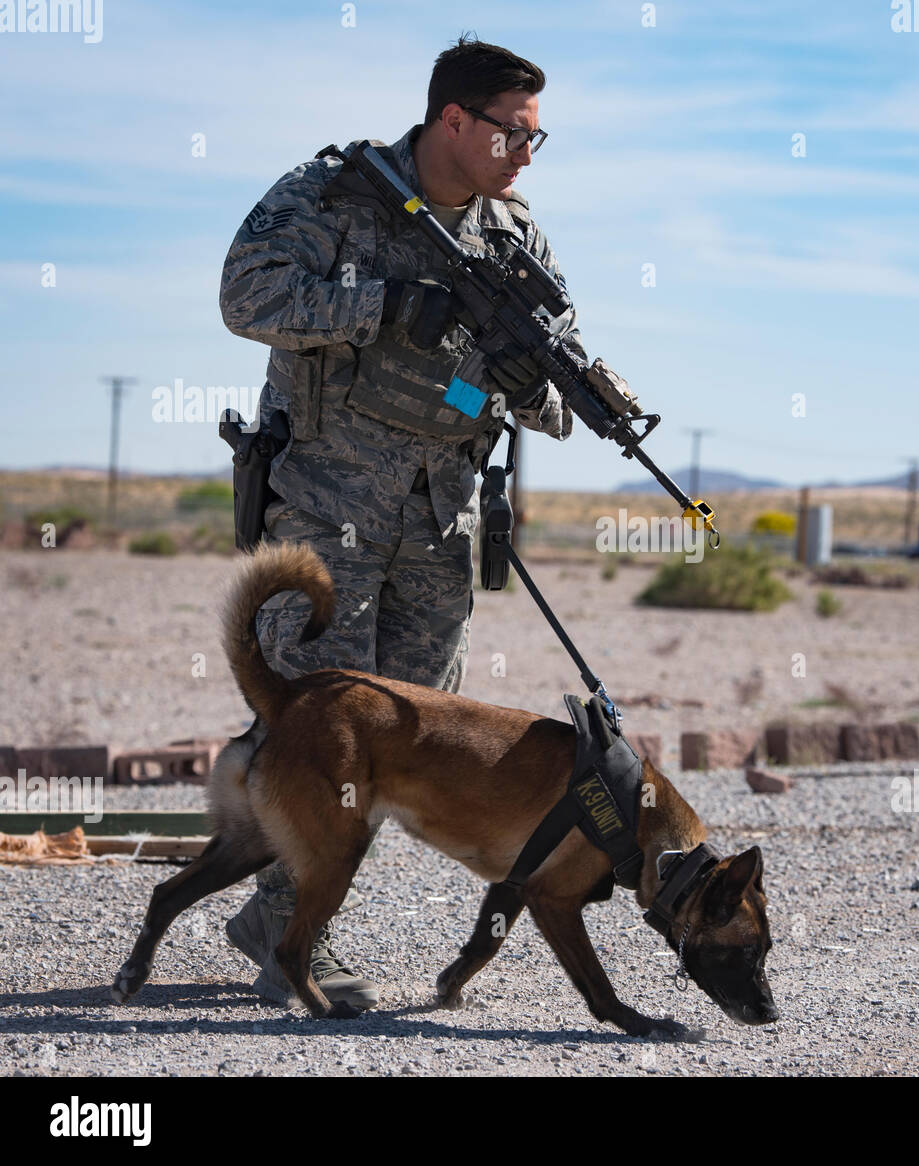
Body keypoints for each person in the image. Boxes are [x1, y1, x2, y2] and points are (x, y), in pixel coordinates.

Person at [217, 34, 578, 1010]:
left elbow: (559, 378)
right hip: (328, 506)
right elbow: (245, 294)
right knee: (313, 723)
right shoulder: (335, 194)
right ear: (452, 120)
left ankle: (274, 912)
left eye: (537, 139)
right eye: (512, 133)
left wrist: (526, 387)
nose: (524, 155)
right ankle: (296, 936)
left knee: (405, 739)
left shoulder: (512, 235)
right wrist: (385, 306)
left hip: (440, 522)